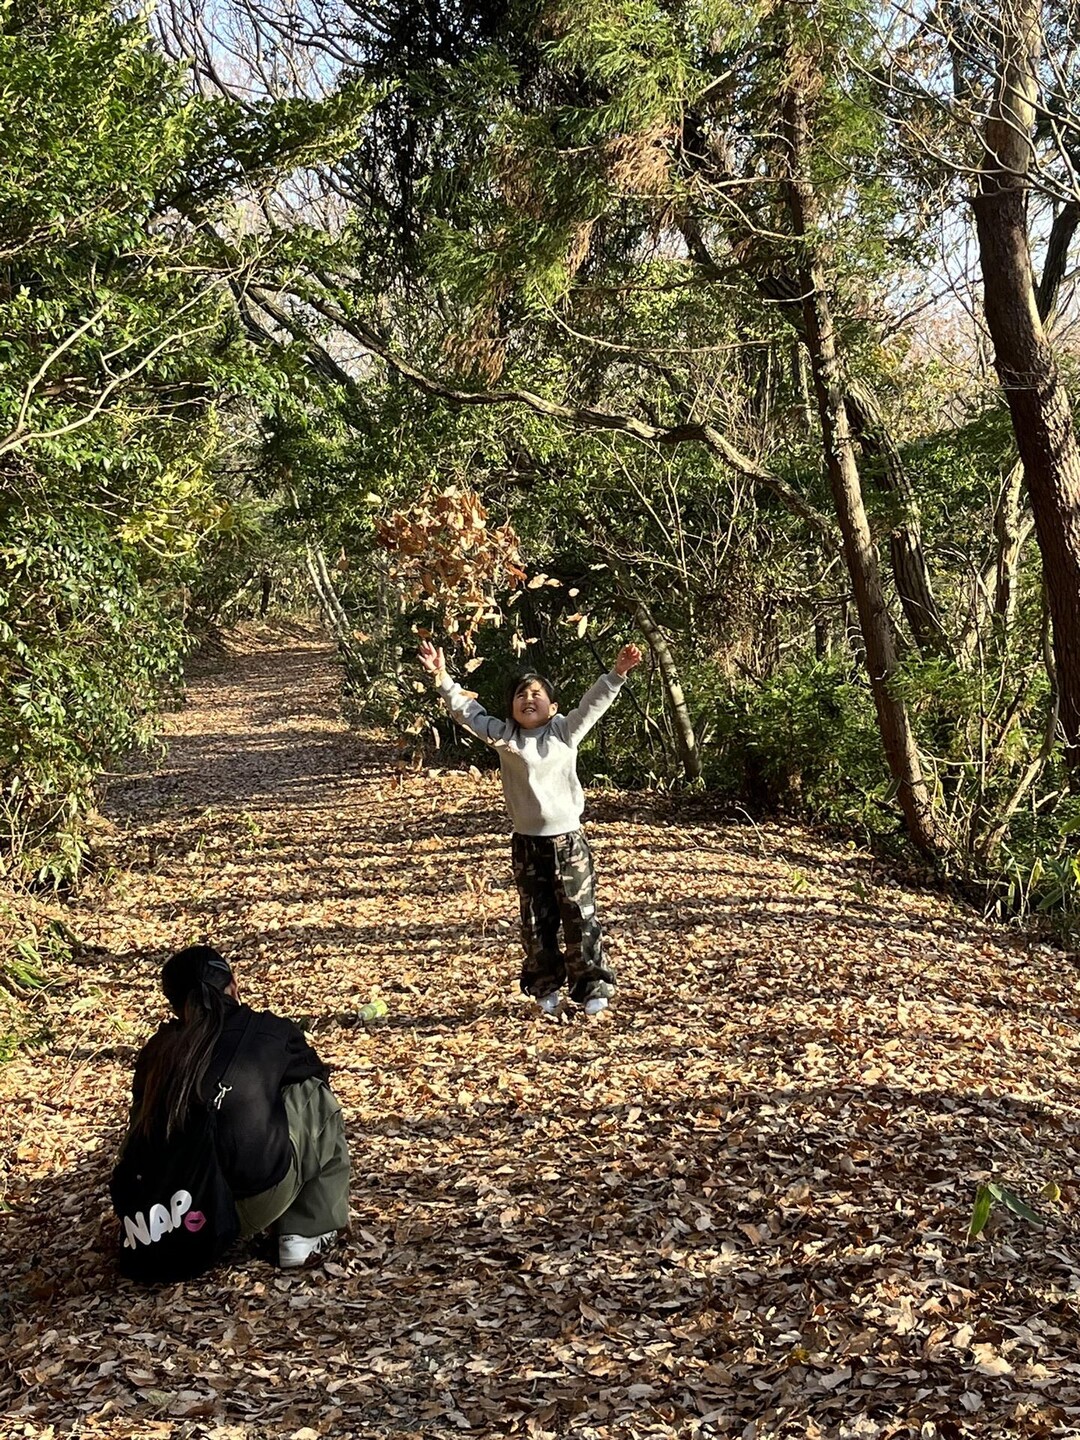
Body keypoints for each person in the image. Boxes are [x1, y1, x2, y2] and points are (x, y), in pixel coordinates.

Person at [418, 638, 642, 1017]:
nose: (528, 699)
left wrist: (617, 673)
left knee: (579, 915)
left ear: (552, 706)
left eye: (536, 694)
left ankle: (591, 987)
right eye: (521, 695)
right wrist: (441, 677)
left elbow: (592, 705)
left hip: (568, 843)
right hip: (527, 845)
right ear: (512, 709)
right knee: (536, 920)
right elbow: (467, 713)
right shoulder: (506, 739)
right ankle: (544, 986)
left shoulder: (564, 733)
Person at [123, 944, 350, 1269]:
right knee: (313, 1095)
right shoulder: (270, 1030)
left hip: (175, 1208)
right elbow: (315, 1083)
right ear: (233, 985)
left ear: (175, 1004)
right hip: (254, 1201)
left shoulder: (155, 1050)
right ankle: (304, 1232)